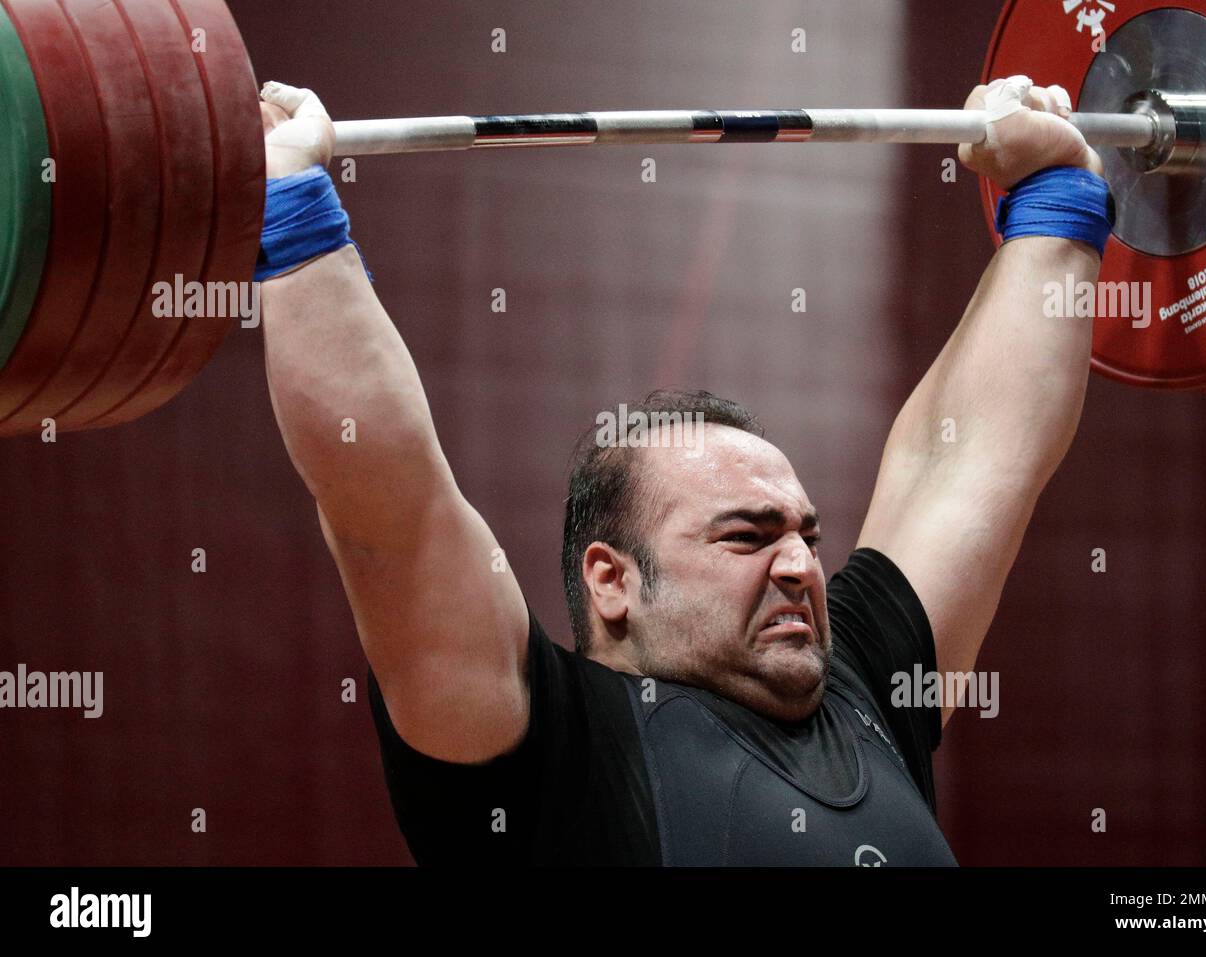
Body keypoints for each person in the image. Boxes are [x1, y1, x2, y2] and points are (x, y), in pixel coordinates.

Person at [256, 75, 1111, 865]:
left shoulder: (865, 687)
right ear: (612, 580)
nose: (799, 565)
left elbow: (970, 456)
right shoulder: (554, 757)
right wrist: (293, 205)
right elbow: (388, 505)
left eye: (807, 537)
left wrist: (1054, 188)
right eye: (748, 535)